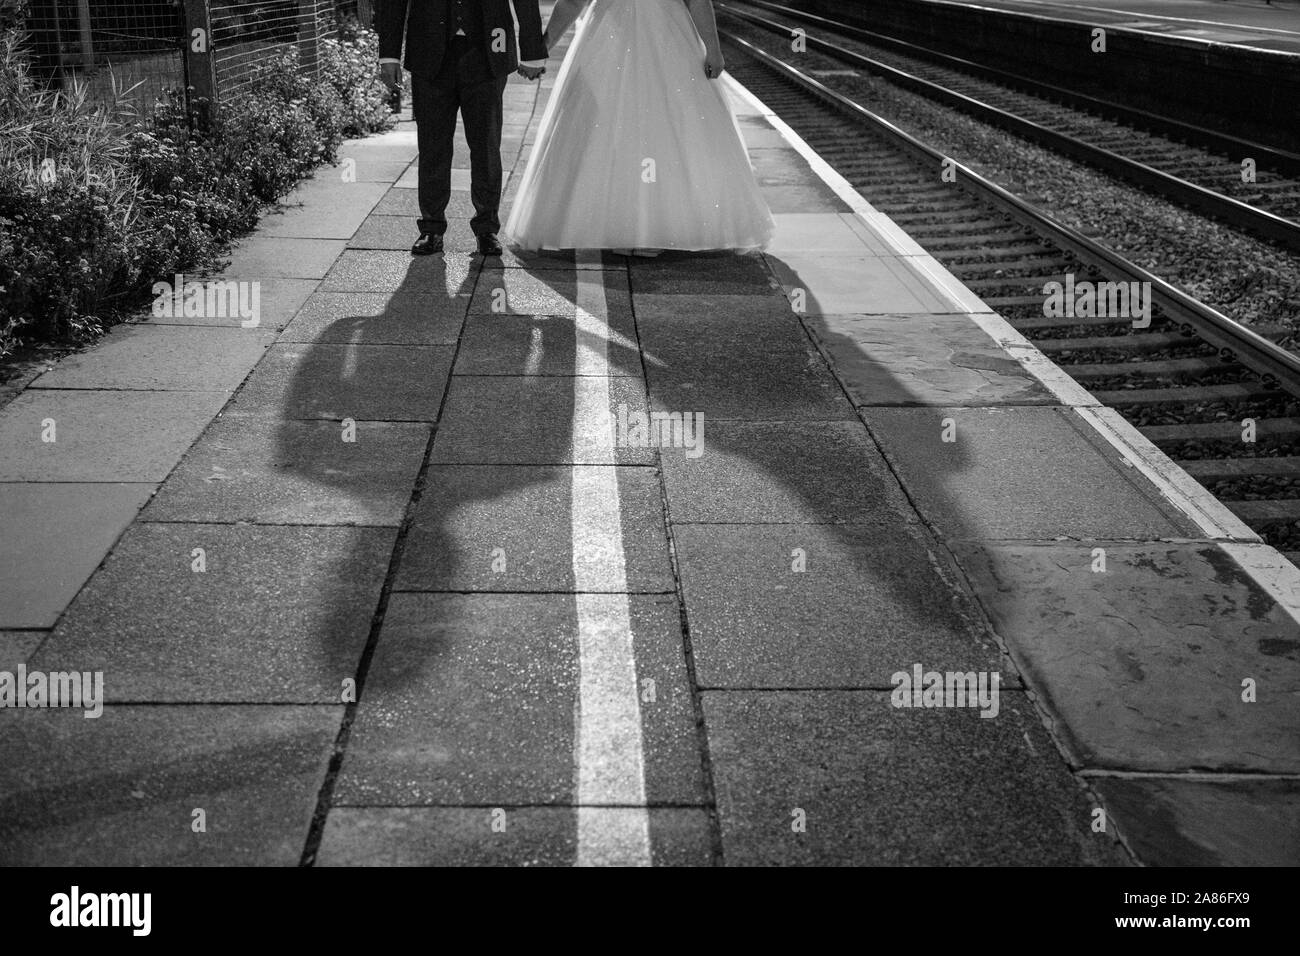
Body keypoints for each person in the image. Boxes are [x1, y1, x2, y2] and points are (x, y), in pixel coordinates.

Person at [503, 0, 774, 254]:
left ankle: (624, 227)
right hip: (663, 34)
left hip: (611, 36)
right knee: (663, 127)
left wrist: (543, 46)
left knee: (610, 127)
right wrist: (540, 49)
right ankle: (651, 228)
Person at [376, 1, 548, 257]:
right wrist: (388, 54)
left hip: (489, 51)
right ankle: (431, 228)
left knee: (486, 146)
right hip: (429, 50)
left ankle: (486, 229)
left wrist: (532, 50)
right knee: (432, 145)